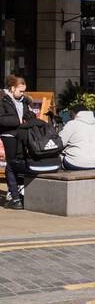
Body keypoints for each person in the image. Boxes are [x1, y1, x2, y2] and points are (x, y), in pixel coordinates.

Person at [0, 73, 38, 208]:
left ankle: (17, 194)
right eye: (20, 91)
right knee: (11, 164)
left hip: (22, 135)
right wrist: (18, 121)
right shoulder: (2, 99)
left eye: (24, 91)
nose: (22, 94)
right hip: (9, 135)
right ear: (12, 88)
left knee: (21, 162)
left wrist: (32, 117)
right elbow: (2, 119)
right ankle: (15, 196)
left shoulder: (24, 101)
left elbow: (29, 115)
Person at [58, 106, 95, 171]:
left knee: (56, 158)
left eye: (70, 114)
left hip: (76, 163)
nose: (70, 117)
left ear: (74, 114)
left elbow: (59, 143)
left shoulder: (72, 124)